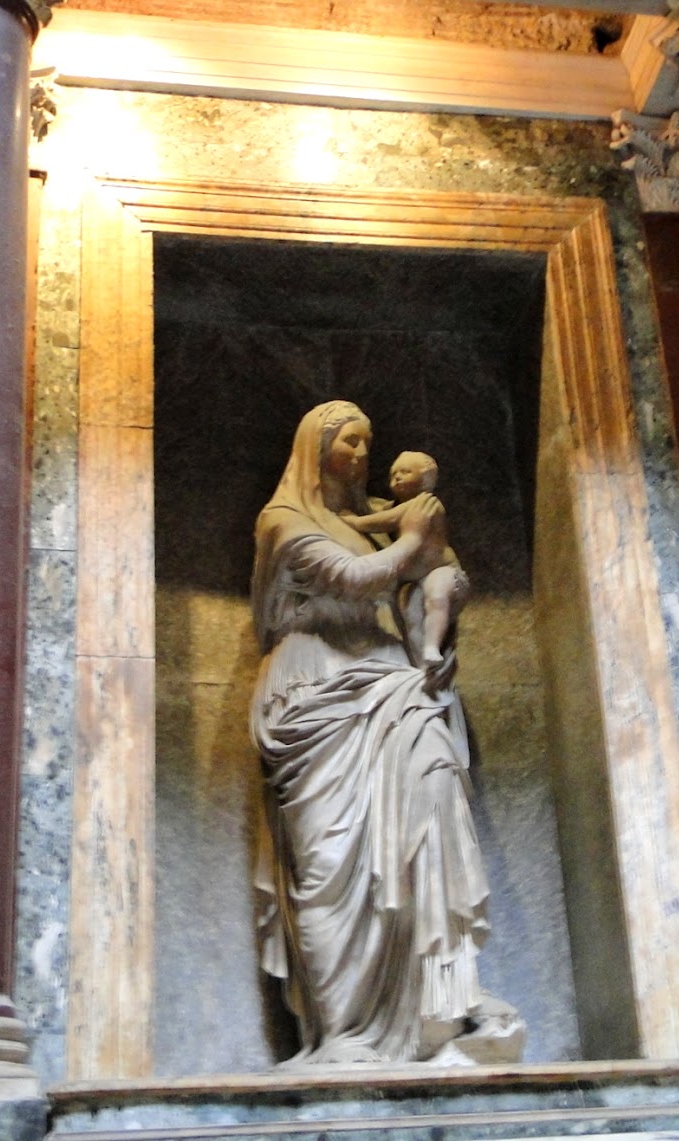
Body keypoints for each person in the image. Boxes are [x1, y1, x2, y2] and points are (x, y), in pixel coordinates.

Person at [250, 400, 511, 1065]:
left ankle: (444, 998)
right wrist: (415, 541)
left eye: (369, 441)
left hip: (390, 676)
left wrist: (440, 594)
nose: (364, 454)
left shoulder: (373, 519)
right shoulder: (283, 522)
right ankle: (340, 1033)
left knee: (434, 800)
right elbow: (355, 577)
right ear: (317, 451)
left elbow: (421, 581)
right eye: (350, 443)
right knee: (330, 861)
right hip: (314, 690)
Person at [340, 450, 470, 666]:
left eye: (406, 471)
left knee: (436, 596)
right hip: (415, 582)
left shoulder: (425, 503)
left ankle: (431, 647)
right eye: (394, 473)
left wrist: (352, 521)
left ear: (426, 479)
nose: (397, 477)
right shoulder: (395, 506)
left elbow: (381, 521)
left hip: (444, 572)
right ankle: (422, 667)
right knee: (412, 617)